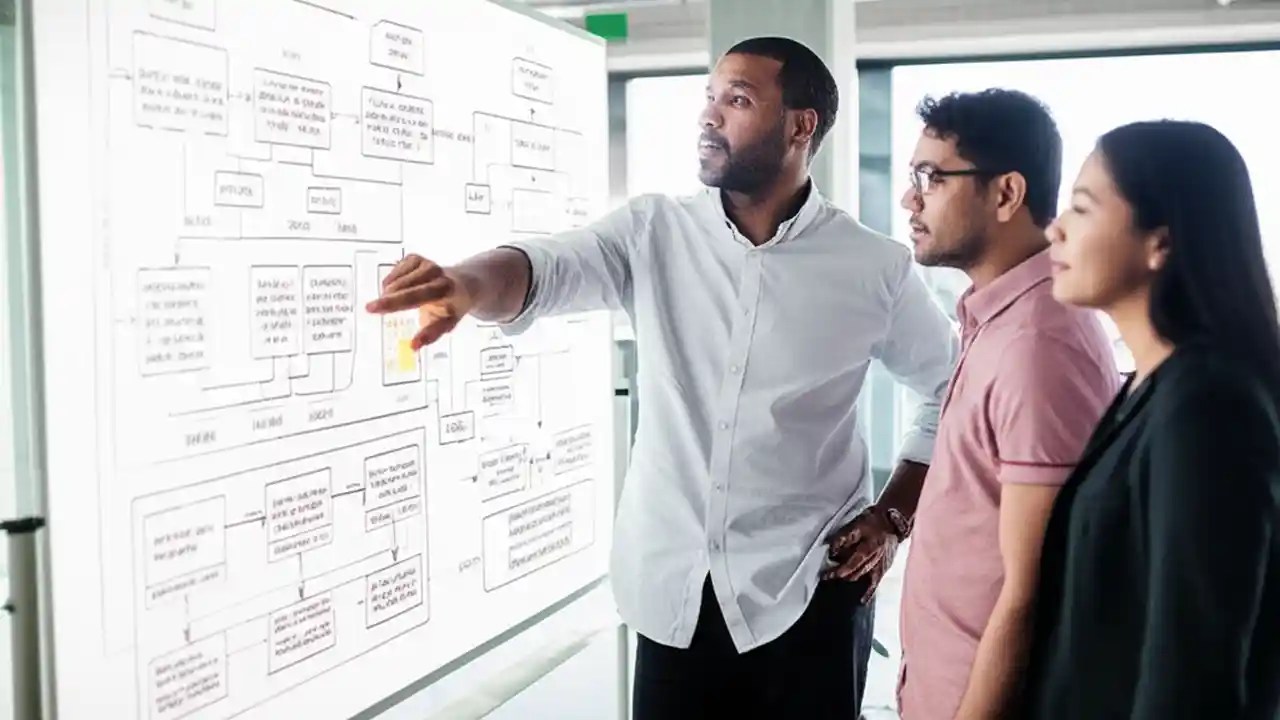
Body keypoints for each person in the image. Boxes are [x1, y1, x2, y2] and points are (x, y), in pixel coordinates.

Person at [366, 36, 959, 719]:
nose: (710, 117)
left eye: (737, 100)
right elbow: (548, 268)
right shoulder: (654, 231)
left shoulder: (873, 265)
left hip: (807, 594)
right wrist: (467, 285)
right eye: (709, 99)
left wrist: (894, 517)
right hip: (671, 596)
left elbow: (951, 387)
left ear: (802, 125)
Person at [826, 89, 1119, 720]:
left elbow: (1035, 593)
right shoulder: (996, 321)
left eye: (931, 177)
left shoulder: (1039, 344)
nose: (909, 198)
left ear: (1007, 194)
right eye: (912, 177)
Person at [1021, 120, 1280, 719]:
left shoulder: (1209, 402)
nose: (1054, 228)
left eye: (1082, 209)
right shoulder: (1151, 385)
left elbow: (1192, 662)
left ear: (1159, 242)